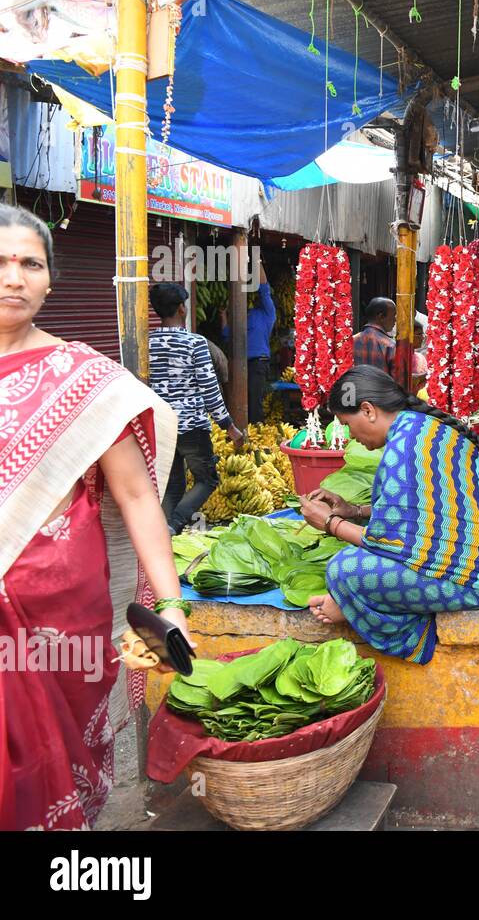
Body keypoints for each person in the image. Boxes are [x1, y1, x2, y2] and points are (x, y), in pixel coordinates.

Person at [0, 204, 193, 830]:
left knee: (53, 767)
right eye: (0, 262)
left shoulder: (86, 382)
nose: (14, 278)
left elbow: (138, 497)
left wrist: (171, 606)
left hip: (62, 611)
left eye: (30, 263)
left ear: (50, 280)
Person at [301, 367, 479, 663]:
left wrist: (331, 523)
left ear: (368, 410)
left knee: (343, 570)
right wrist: (355, 511)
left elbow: (385, 544)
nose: (349, 435)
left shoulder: (404, 446)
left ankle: (413, 635)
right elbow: (423, 509)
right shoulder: (421, 427)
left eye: (347, 423)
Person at [148, 283, 244, 534]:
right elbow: (210, 389)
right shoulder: (195, 343)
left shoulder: (146, 342)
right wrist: (229, 426)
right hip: (191, 426)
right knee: (207, 479)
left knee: (173, 485)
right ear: (182, 308)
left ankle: (165, 533)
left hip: (160, 425)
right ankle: (173, 525)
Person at [220, 271, 276, 423]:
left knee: (254, 400)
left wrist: (257, 260)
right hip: (240, 363)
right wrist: (223, 316)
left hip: (258, 363)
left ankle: (257, 431)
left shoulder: (267, 314)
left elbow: (264, 290)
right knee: (237, 399)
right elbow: (227, 335)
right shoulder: (244, 315)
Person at [353, 297, 397, 380]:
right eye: (393, 315)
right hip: (381, 392)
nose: (395, 320)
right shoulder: (391, 346)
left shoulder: (350, 341)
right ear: (381, 316)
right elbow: (397, 382)